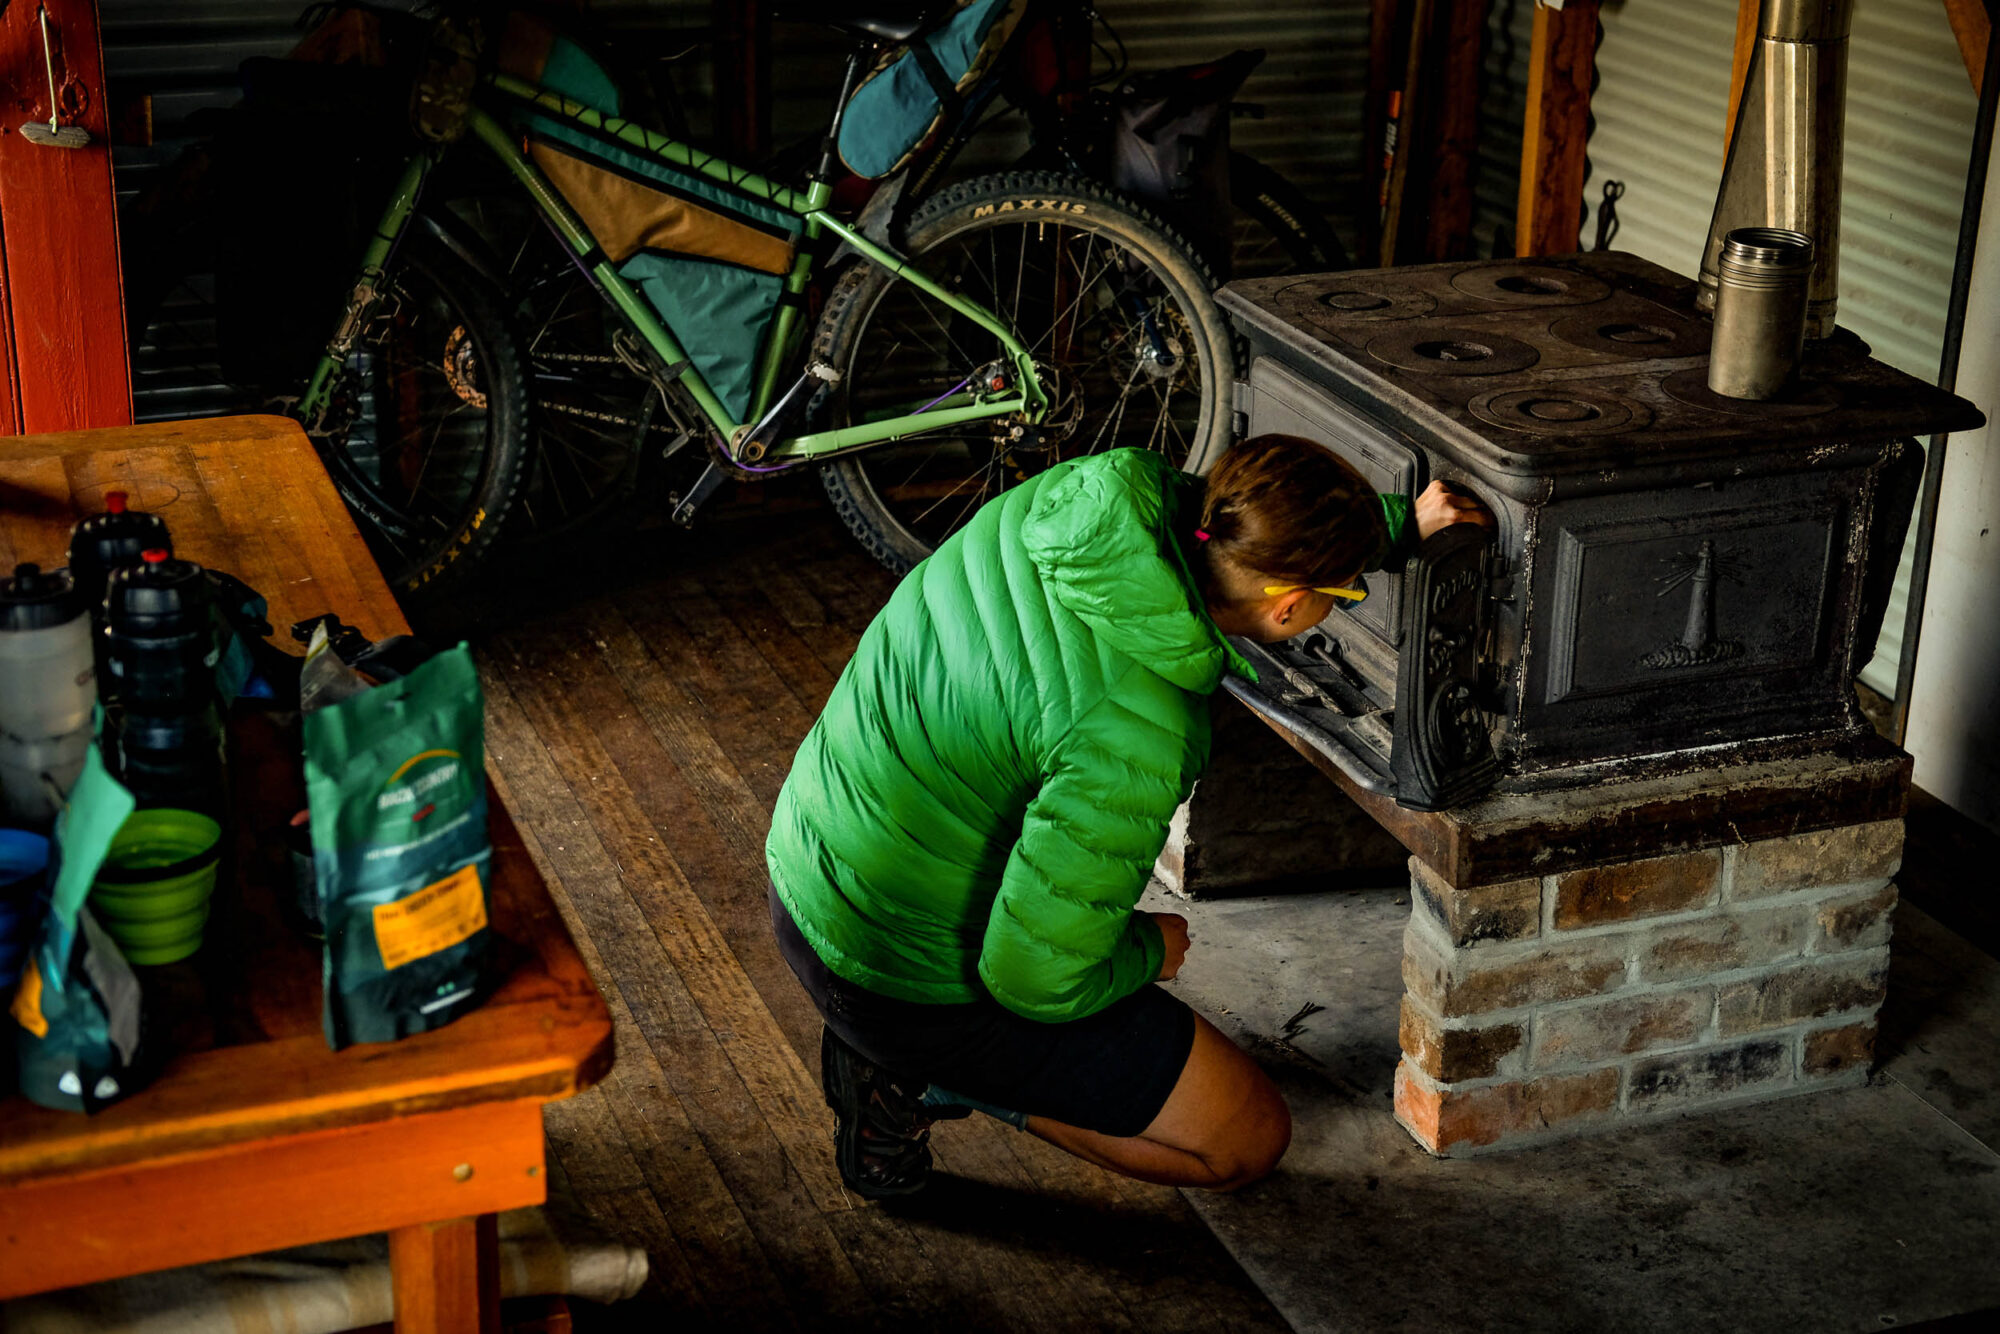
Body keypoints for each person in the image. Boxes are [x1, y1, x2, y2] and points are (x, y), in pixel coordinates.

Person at [766, 435, 1493, 1198]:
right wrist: (1150, 948)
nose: (1343, 600)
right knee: (1247, 1140)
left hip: (808, 861)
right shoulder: (1135, 722)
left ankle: (902, 1052)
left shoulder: (1086, 496)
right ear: (1287, 607)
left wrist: (1393, 528)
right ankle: (911, 1079)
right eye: (1344, 592)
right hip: (888, 975)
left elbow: (1246, 520)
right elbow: (1032, 980)